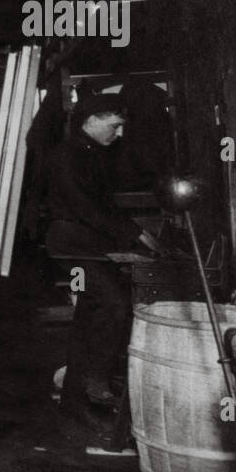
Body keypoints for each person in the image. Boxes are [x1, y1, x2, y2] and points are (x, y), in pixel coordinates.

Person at [45, 93, 163, 437]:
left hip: (86, 248)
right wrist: (135, 235)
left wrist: (137, 233)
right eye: (115, 126)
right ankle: (95, 382)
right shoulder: (67, 156)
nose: (120, 133)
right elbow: (84, 207)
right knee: (113, 303)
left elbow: (102, 204)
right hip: (71, 251)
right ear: (90, 121)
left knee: (90, 316)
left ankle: (75, 400)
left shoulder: (92, 154)